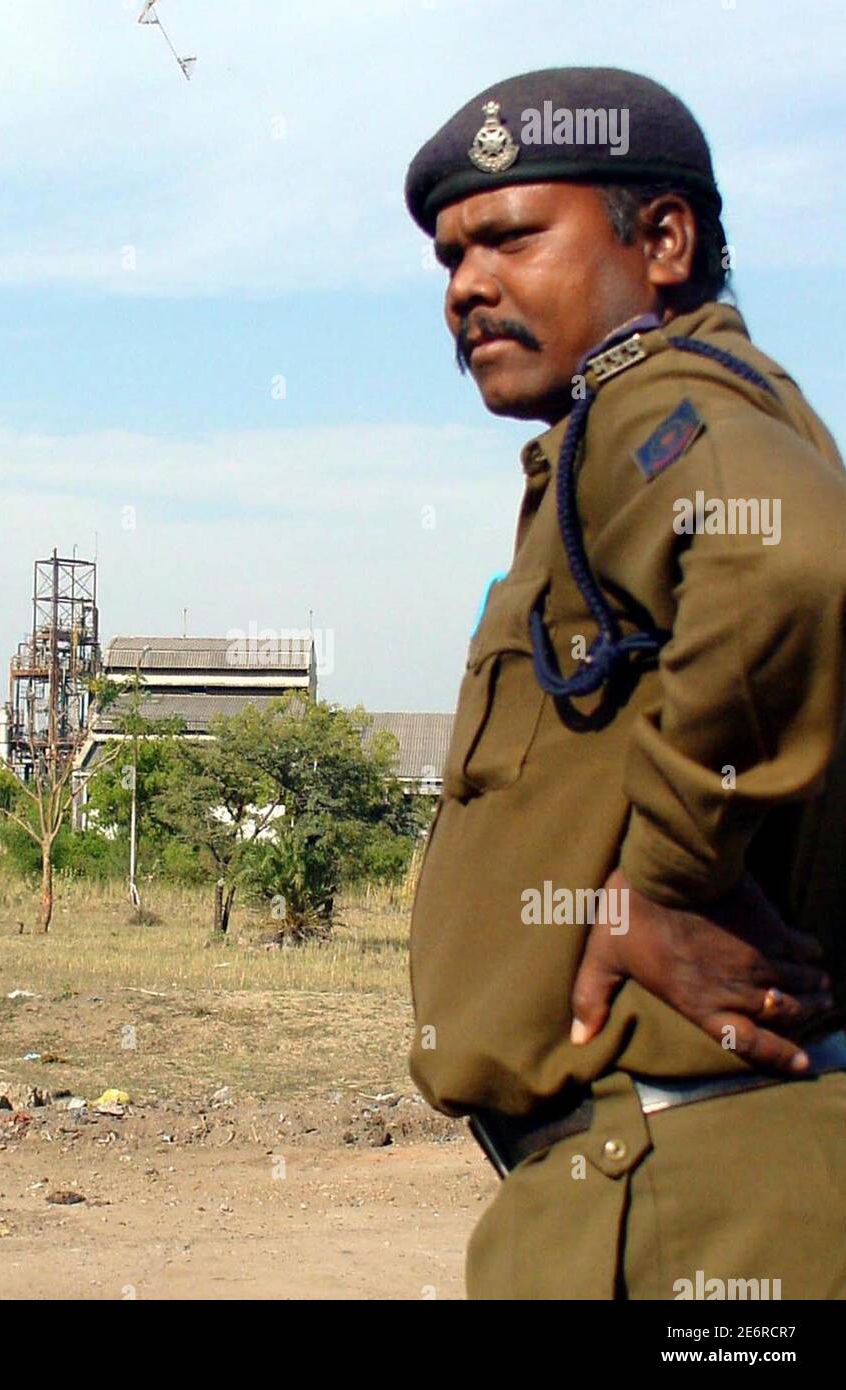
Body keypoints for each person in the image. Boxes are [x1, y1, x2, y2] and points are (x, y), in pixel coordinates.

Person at [403, 66, 846, 1299]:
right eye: (448, 259)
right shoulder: (631, 433)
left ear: (661, 239)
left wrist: (662, 882)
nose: (465, 288)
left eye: (507, 238)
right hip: (657, 1177)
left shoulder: (656, 400)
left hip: (680, 1186)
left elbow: (787, 555)